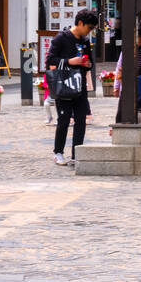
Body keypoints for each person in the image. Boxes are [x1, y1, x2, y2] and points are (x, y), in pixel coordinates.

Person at [46, 9, 98, 166]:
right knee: (64, 119)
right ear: (80, 23)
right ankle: (58, 152)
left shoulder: (84, 41)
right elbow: (50, 60)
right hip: (64, 85)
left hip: (80, 85)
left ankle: (77, 153)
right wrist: (70, 61)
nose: (89, 31)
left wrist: (88, 64)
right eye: (89, 28)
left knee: (81, 120)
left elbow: (90, 63)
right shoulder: (61, 38)